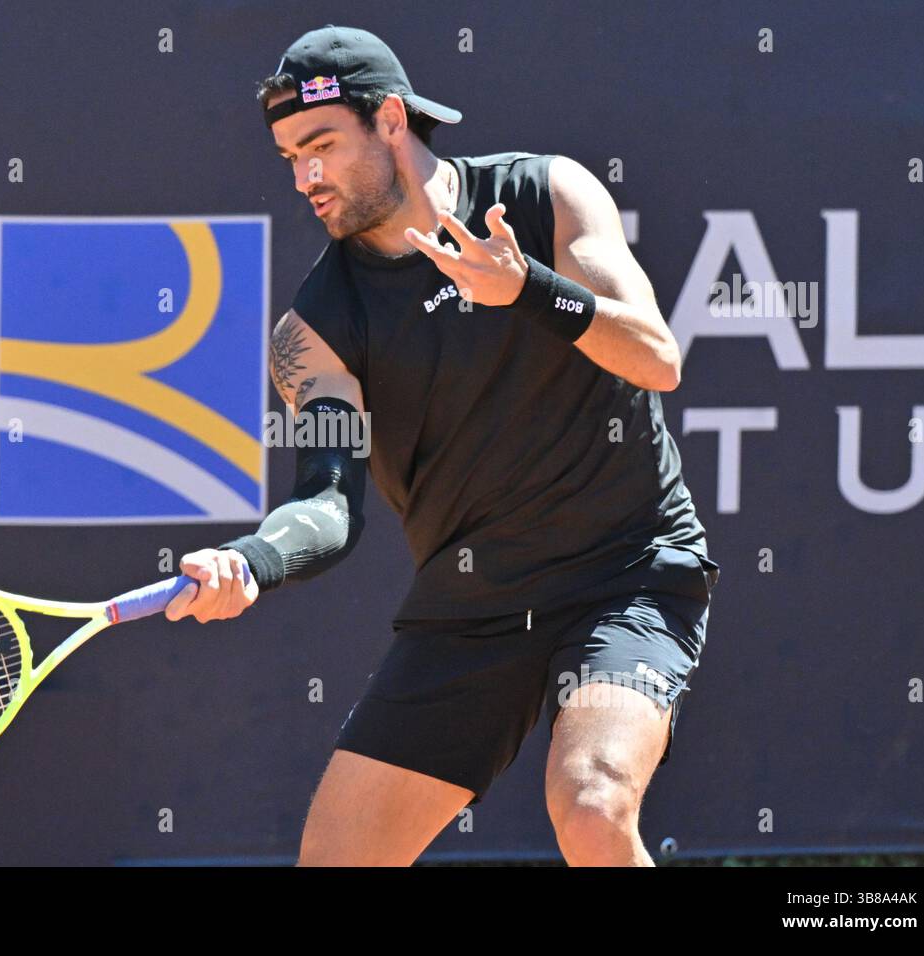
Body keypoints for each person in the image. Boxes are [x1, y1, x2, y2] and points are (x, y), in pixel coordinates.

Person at [165, 24, 721, 867]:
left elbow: (656, 358)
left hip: (626, 571)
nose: (305, 176)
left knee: (593, 807)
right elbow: (326, 502)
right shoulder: (314, 330)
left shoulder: (548, 194)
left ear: (392, 120)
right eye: (288, 156)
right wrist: (253, 559)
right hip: (474, 605)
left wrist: (528, 288)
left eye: (321, 145)